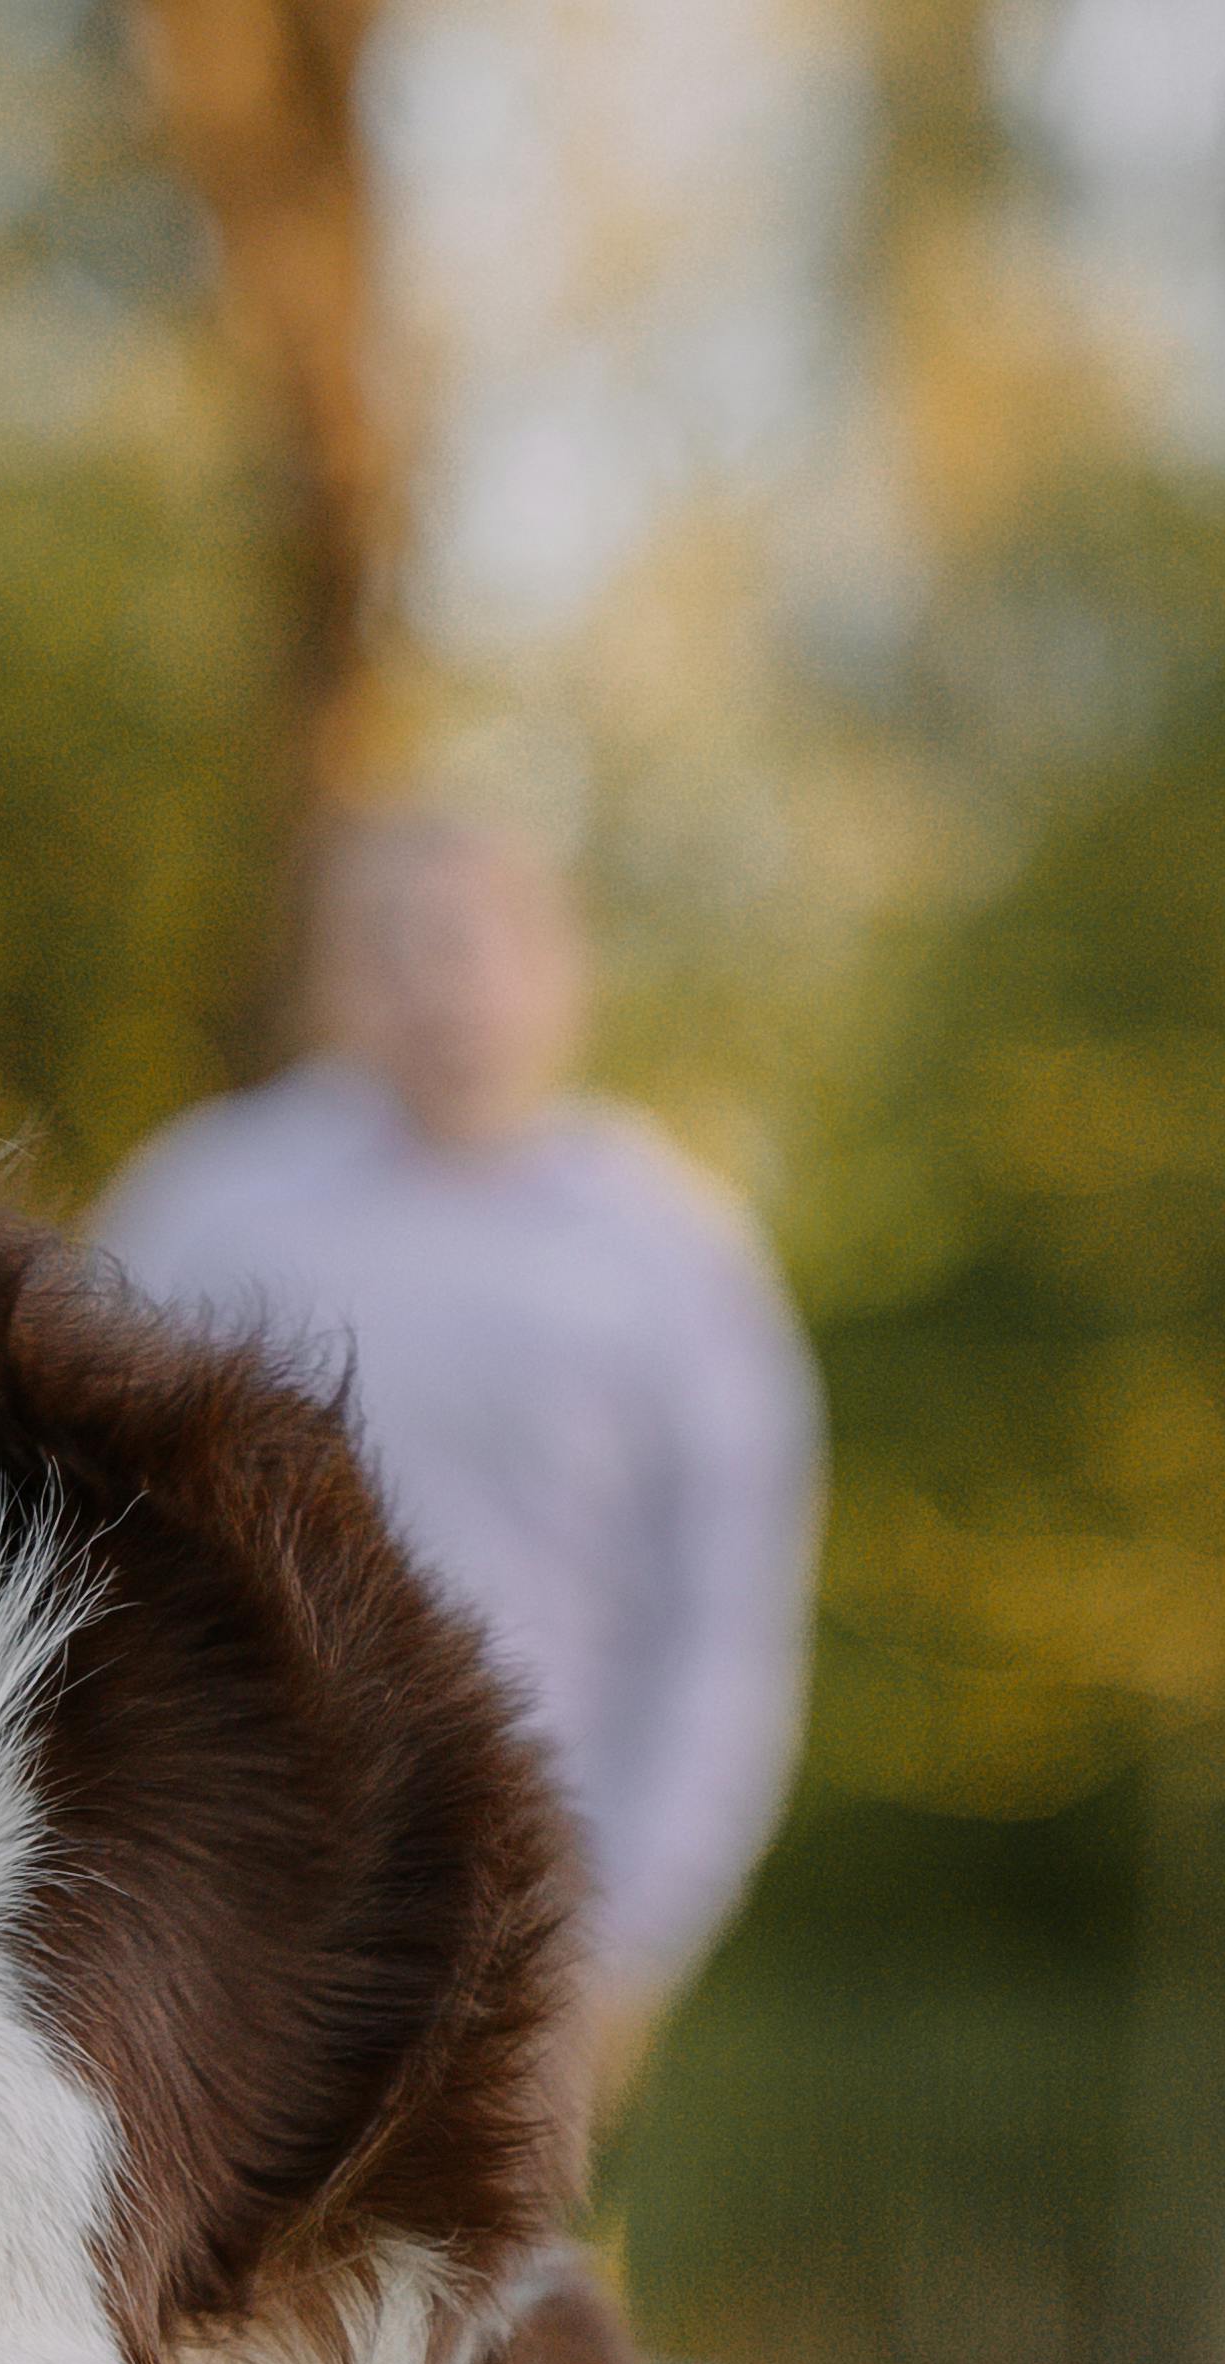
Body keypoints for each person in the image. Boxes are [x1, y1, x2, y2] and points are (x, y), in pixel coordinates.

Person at [90, 813, 822, 2103]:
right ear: (332, 976)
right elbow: (77, 1517)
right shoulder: (203, 1212)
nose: (442, 984)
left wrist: (639, 1943)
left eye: (478, 942)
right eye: (394, 947)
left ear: (563, 964)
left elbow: (725, 1630)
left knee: (509, 2301)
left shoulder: (673, 1260)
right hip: (224, 1916)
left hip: (531, 1943)